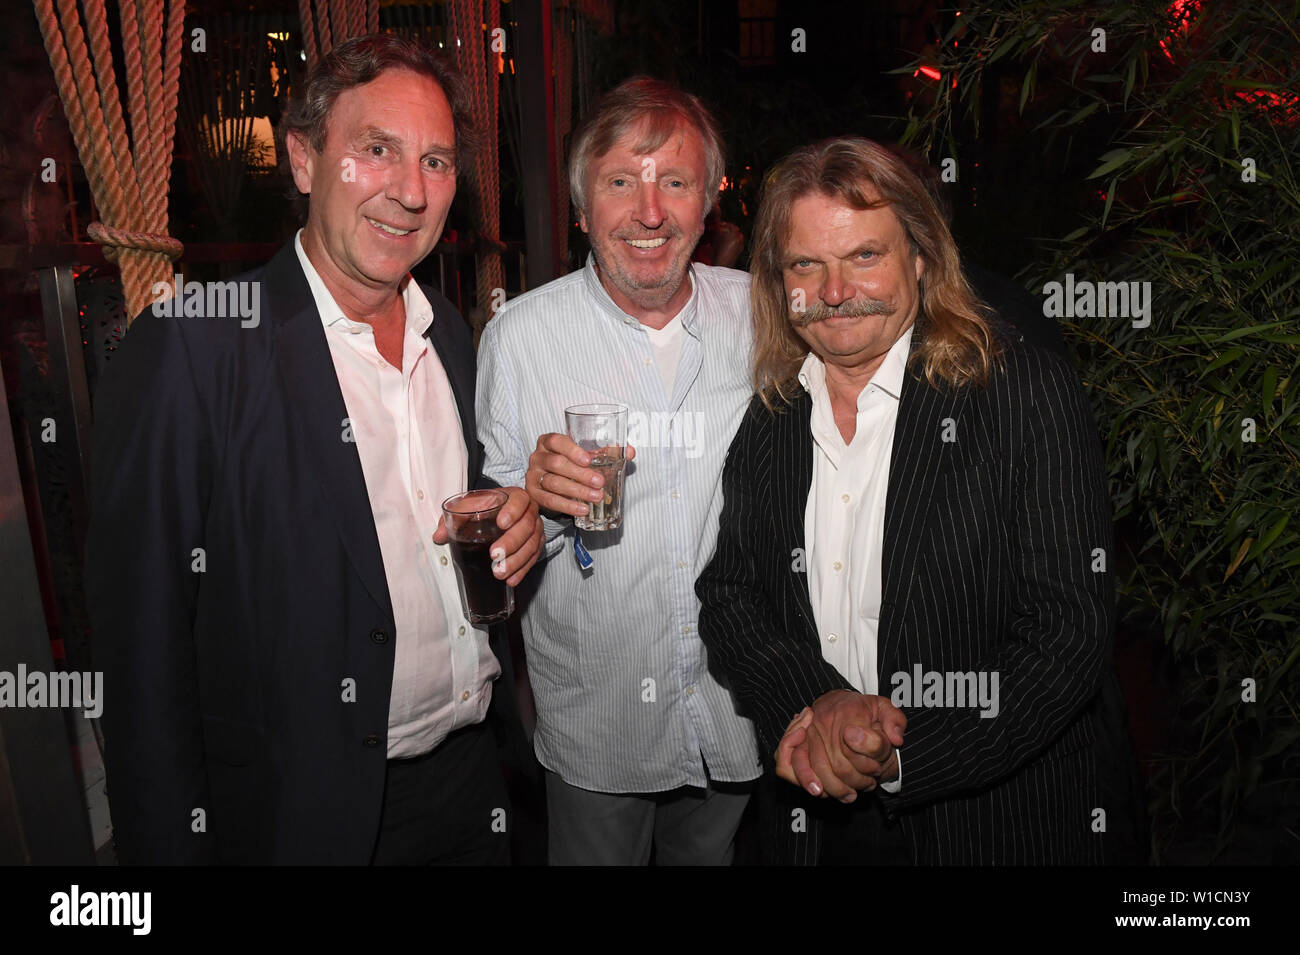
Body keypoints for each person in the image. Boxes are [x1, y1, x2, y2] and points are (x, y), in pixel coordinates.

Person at [84, 35, 542, 865]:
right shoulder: (194, 350)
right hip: (300, 815)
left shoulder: (451, 335)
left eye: (436, 162)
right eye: (377, 150)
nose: (410, 191)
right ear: (302, 159)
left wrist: (518, 526)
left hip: (476, 783)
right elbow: (140, 658)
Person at [696, 136, 1133, 864]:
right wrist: (819, 706)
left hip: (992, 822)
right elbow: (731, 593)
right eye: (806, 264)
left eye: (865, 255)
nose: (835, 291)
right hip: (818, 822)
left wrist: (898, 753)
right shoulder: (772, 413)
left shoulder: (1020, 390)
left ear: (922, 259)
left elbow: (1068, 629)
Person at [475, 77, 760, 865]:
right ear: (581, 207)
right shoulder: (519, 339)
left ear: (708, 204)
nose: (650, 212)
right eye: (621, 183)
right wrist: (532, 501)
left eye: (676, 182)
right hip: (600, 724)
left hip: (735, 707)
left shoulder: (763, 316)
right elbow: (492, 550)